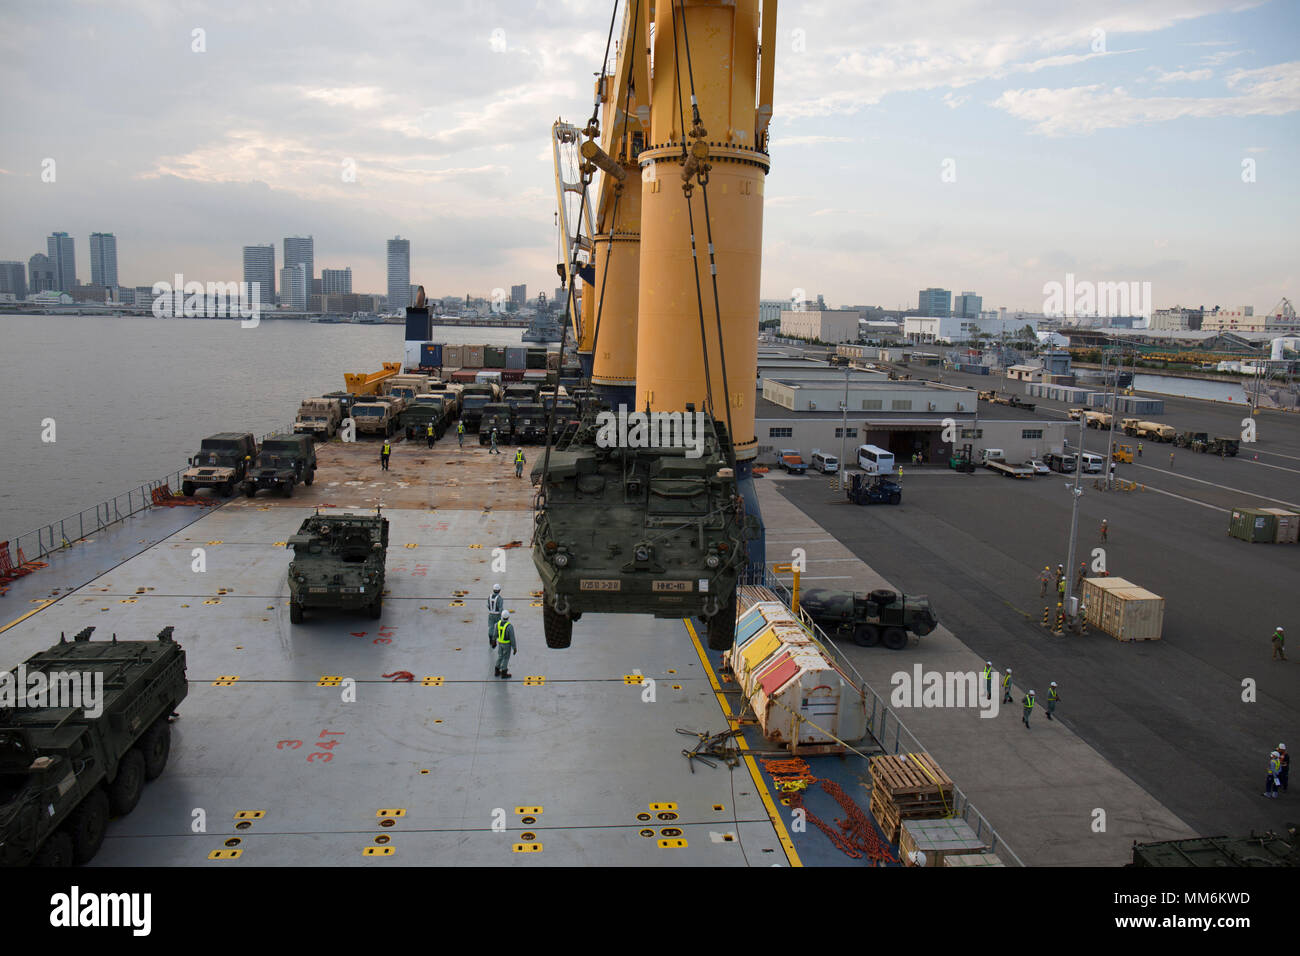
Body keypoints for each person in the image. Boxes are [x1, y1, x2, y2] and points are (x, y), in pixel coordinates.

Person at [494, 609, 517, 679]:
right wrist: (514, 648)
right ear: (508, 617)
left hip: (500, 643)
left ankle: (497, 670)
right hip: (507, 645)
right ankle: (504, 672)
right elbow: (512, 638)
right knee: (506, 658)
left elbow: (495, 634)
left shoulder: (497, 624)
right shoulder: (509, 626)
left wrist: (493, 640)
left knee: (500, 656)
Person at [487, 583, 503, 650]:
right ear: (499, 590)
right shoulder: (499, 598)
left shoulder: (489, 597)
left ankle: (491, 640)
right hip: (497, 615)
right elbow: (500, 608)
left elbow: (488, 605)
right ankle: (496, 640)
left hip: (490, 614)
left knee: (491, 627)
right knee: (499, 627)